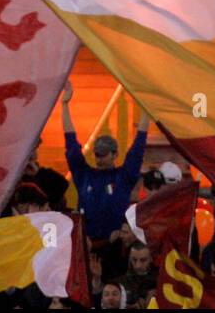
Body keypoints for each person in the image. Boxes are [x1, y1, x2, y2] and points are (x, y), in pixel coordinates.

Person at [60, 81, 151, 243]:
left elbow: (139, 145)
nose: (98, 159)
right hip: (86, 246)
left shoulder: (123, 177)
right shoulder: (84, 175)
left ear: (115, 154)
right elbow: (71, 144)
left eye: (102, 155)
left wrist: (147, 108)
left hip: (114, 247)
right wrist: (64, 105)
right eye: (96, 154)